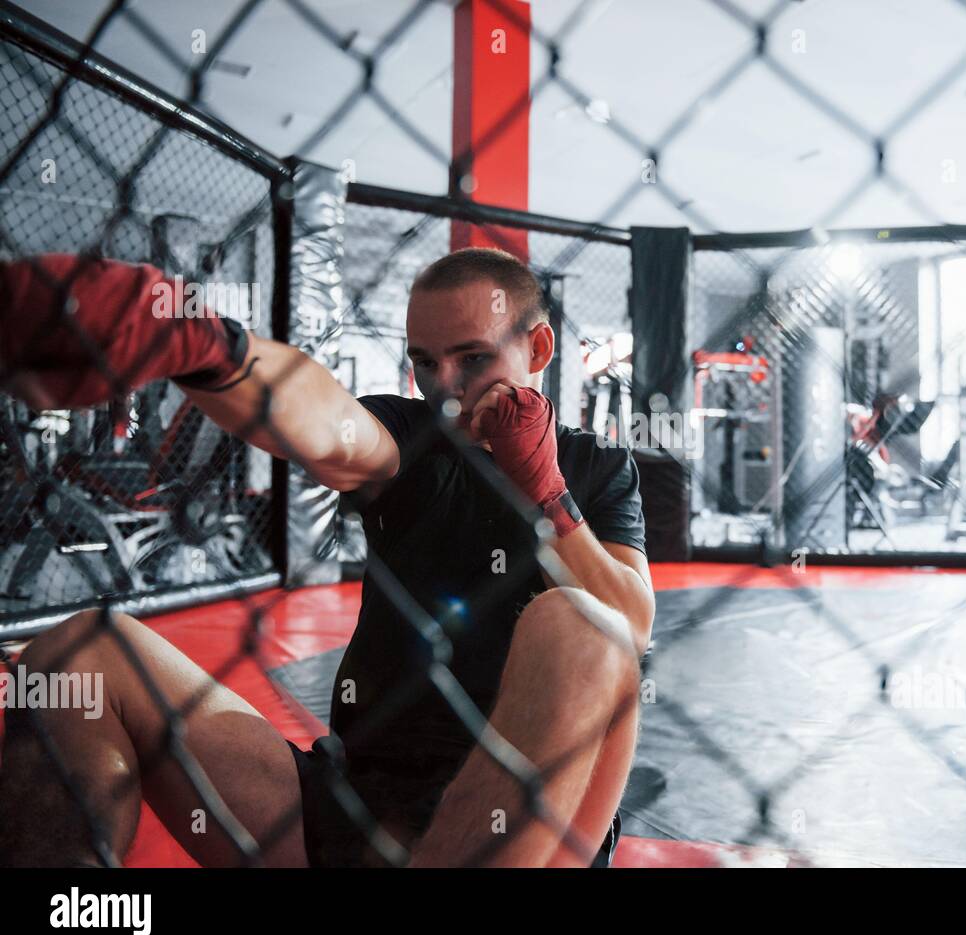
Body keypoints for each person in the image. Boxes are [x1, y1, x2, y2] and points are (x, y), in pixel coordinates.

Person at [0, 247, 654, 867]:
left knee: (575, 623)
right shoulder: (410, 436)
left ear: (537, 347)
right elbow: (325, 424)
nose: (444, 386)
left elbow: (629, 627)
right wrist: (198, 344)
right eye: (425, 362)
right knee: (80, 652)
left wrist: (547, 492)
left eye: (472, 357)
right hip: (356, 809)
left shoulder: (597, 470)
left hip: (525, 829)